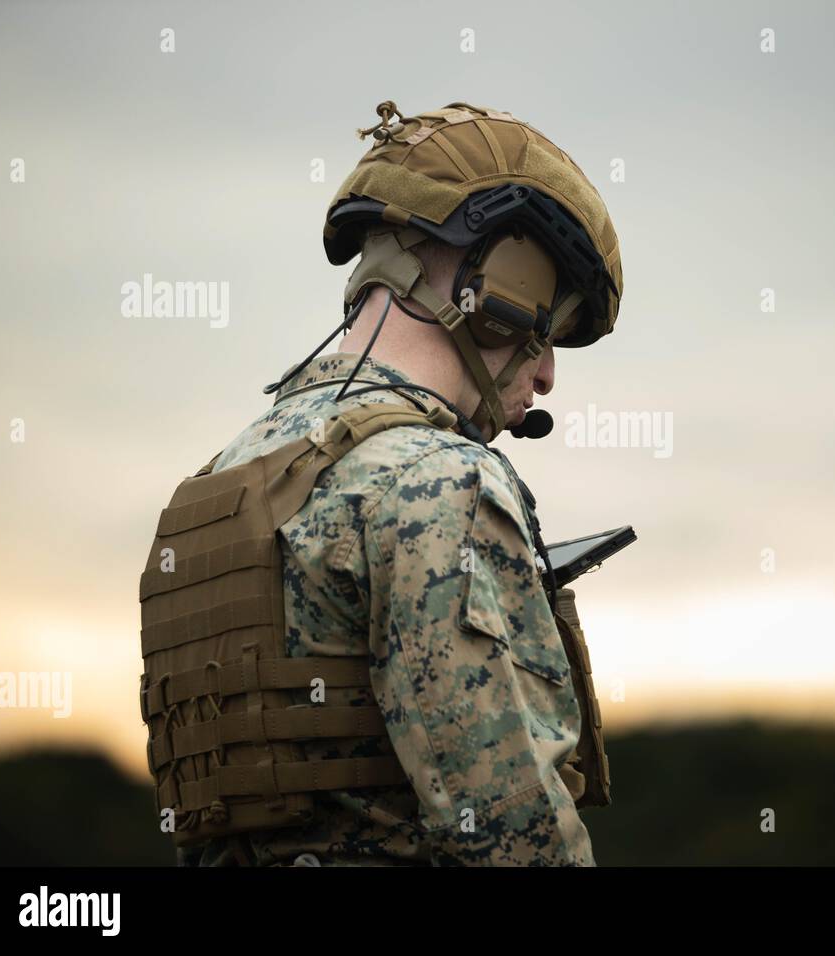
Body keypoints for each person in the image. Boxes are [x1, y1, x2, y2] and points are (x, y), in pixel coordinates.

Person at [143, 101, 620, 866]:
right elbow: (509, 831)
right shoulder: (440, 482)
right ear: (503, 283)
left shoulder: (221, 482)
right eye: (550, 328)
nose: (549, 373)